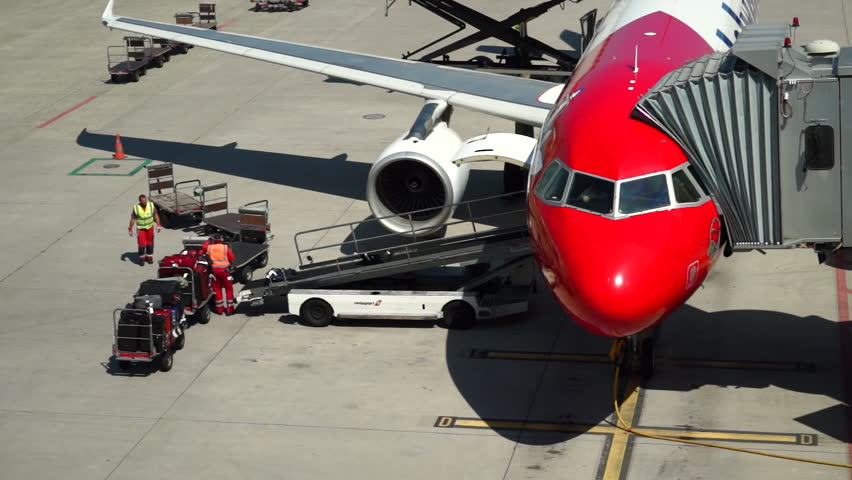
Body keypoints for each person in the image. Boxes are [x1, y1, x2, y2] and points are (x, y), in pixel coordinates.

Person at [203, 234, 236, 315]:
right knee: (229, 289)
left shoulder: (209, 247)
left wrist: (208, 241)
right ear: (221, 240)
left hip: (214, 272)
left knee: (217, 290)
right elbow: (232, 257)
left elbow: (203, 247)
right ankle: (229, 310)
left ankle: (219, 310)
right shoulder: (225, 247)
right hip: (225, 272)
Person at [128, 194, 162, 265]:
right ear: (139, 201)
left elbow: (155, 215)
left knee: (150, 244)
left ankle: (149, 257)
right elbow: (133, 218)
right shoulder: (136, 208)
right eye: (142, 201)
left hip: (150, 228)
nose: (144, 202)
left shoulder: (151, 206)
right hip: (141, 229)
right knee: (141, 244)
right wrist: (130, 229)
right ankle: (142, 258)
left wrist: (158, 225)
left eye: (145, 201)